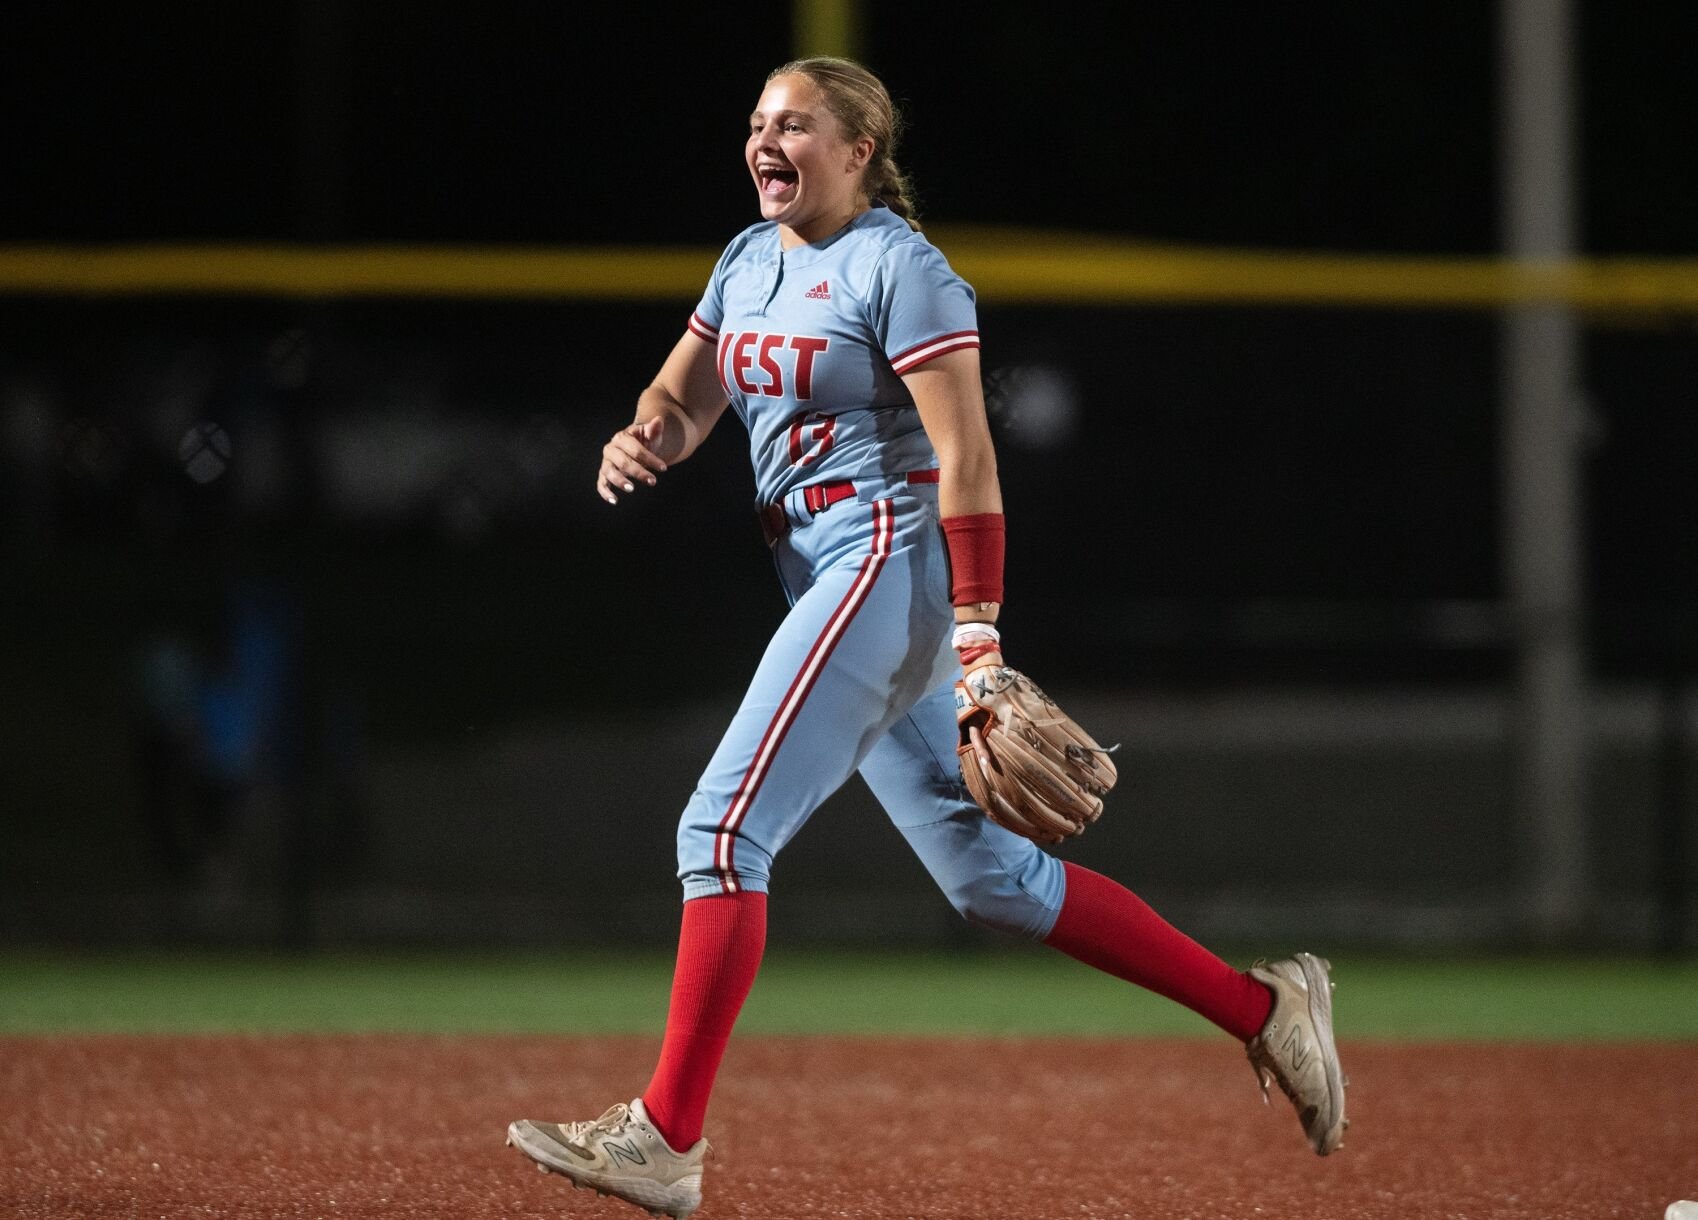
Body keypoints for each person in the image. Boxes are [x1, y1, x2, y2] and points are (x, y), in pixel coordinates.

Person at [506, 56, 1347, 1218]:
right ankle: (1266, 1010)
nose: (765, 140)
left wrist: (977, 636)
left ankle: (664, 1136)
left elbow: (967, 457)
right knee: (994, 882)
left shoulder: (903, 270)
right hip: (816, 572)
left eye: (793, 124)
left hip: (884, 566)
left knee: (724, 825)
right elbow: (688, 395)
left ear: (859, 149)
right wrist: (644, 431)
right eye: (756, 122)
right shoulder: (750, 259)